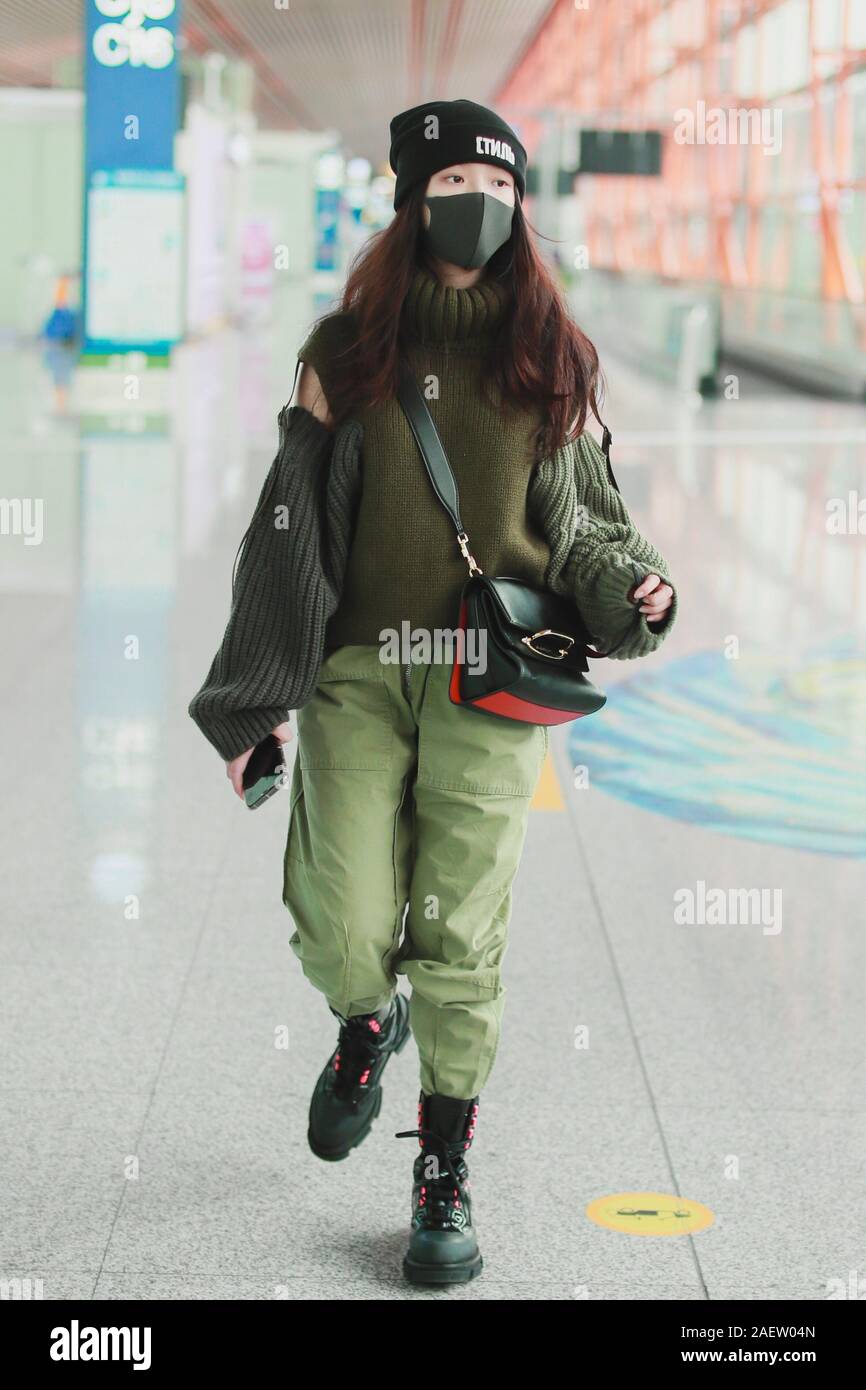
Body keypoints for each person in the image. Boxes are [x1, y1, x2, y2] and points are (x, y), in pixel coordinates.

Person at [190, 99, 676, 1286]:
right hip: (363, 672)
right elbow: (287, 530)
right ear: (415, 197)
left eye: (504, 187)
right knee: (341, 919)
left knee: (462, 934)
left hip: (488, 684)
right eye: (462, 178)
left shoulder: (548, 356)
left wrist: (636, 589)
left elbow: (584, 533)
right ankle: (366, 1019)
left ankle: (442, 1167)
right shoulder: (344, 349)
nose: (486, 203)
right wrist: (253, 704)